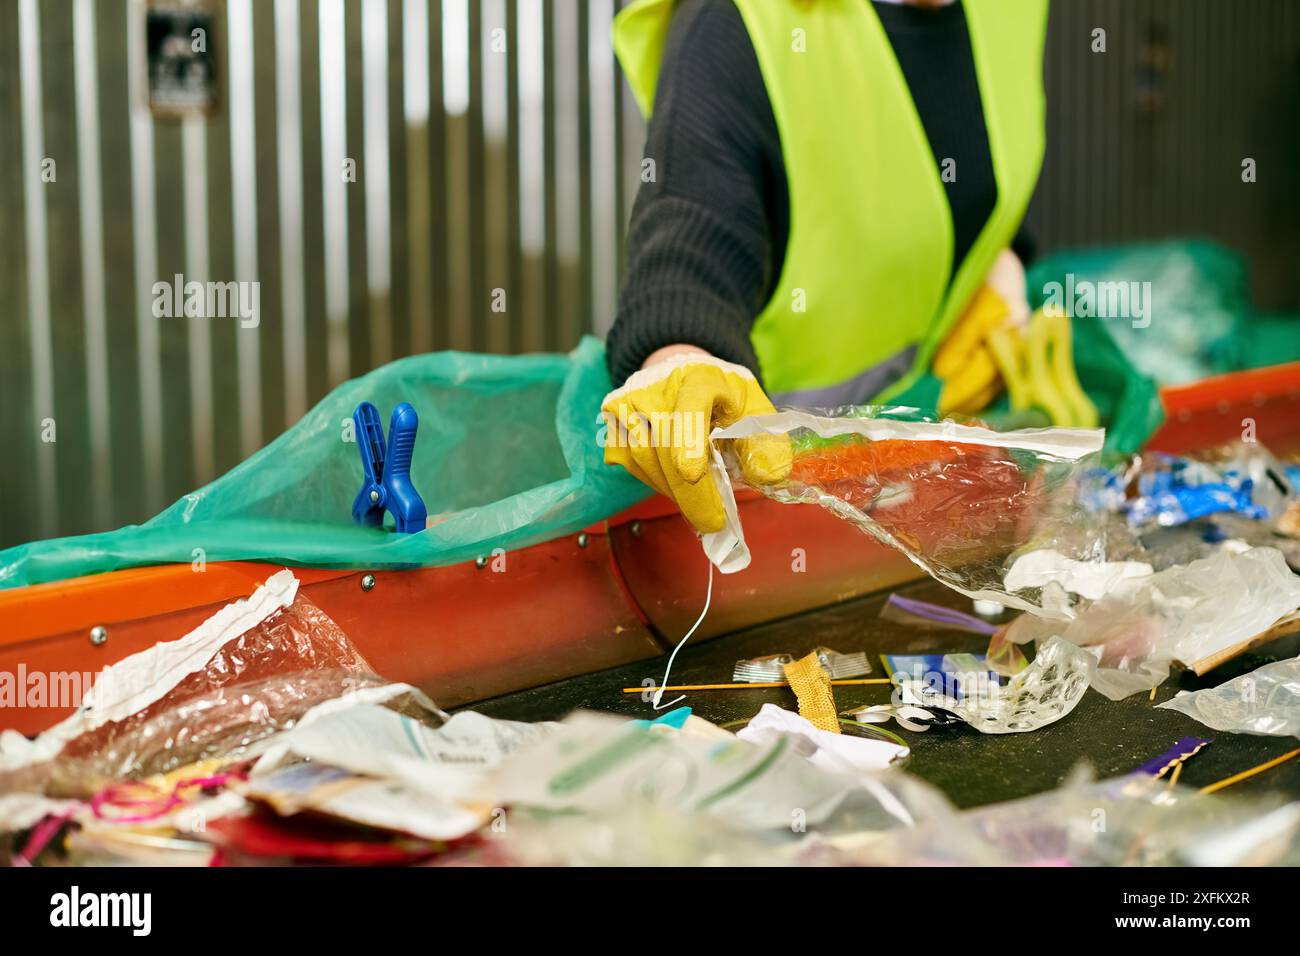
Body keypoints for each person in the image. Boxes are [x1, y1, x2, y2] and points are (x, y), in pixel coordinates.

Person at [601, 0, 1047, 535]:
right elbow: (692, 234)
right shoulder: (734, 23)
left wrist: (1000, 258)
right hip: (771, 486)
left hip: (910, 472)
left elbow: (971, 152)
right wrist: (680, 358)